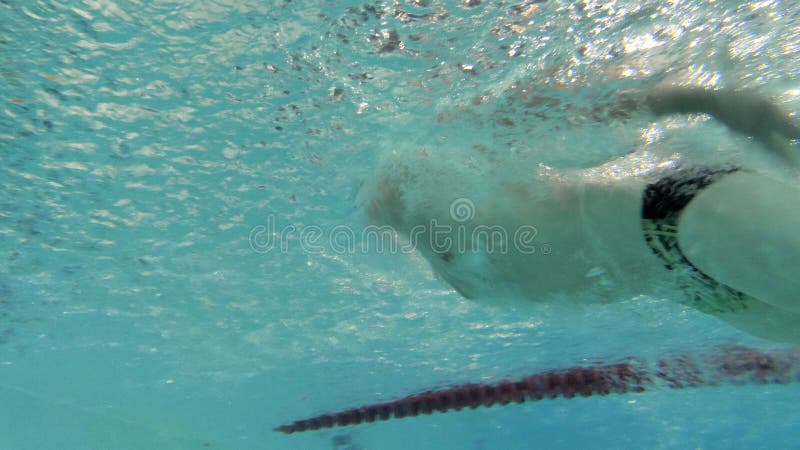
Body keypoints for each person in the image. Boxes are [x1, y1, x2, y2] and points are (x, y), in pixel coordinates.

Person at [362, 86, 800, 343]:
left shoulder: (452, 126)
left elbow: (586, 105)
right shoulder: (401, 197)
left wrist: (707, 101)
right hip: (699, 287)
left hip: (686, 218)